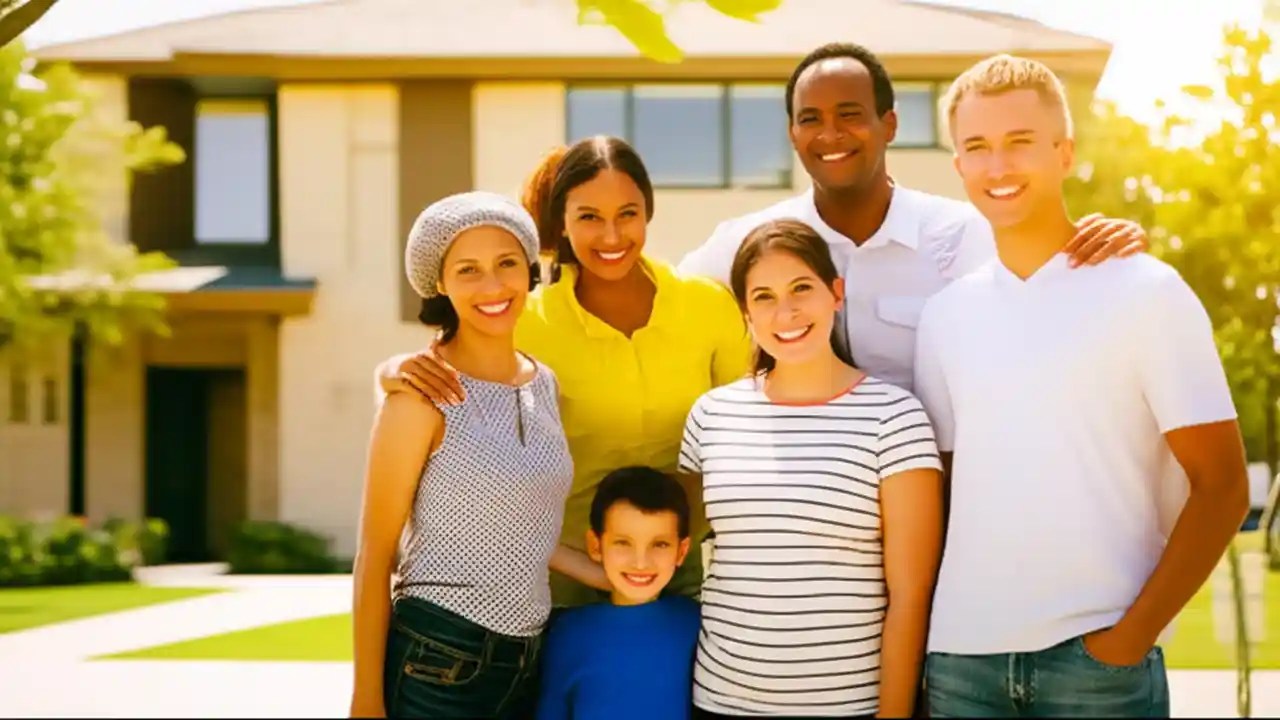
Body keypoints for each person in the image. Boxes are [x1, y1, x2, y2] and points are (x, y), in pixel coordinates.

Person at [912, 54, 1251, 718]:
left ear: (1065, 153)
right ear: (958, 167)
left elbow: (1224, 488)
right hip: (959, 665)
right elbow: (944, 494)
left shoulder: (1147, 292)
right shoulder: (944, 316)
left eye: (1021, 143)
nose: (998, 166)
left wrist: (1129, 641)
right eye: (977, 147)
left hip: (1097, 667)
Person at [375, 136, 753, 607]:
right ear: (563, 224)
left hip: (674, 564)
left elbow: (746, 426)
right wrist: (393, 371)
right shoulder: (528, 319)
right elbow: (447, 369)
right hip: (564, 570)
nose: (611, 236)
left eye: (628, 214)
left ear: (648, 213)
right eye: (589, 217)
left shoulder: (708, 306)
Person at [678, 42, 1149, 392]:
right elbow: (663, 299)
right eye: (811, 119)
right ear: (793, 133)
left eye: (849, 114)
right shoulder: (750, 241)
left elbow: (1054, 288)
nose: (831, 134)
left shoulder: (964, 235)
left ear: (890, 124)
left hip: (941, 501)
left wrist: (1115, 239)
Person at [349, 191, 607, 719]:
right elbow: (375, 557)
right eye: (468, 269)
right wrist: (366, 700)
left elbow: (525, 525)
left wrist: (610, 573)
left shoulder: (545, 383)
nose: (493, 286)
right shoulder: (419, 394)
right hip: (436, 659)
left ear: (529, 270)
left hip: (529, 661)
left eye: (506, 263)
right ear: (439, 283)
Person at [680, 219, 944, 719]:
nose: (786, 311)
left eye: (802, 287)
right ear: (745, 313)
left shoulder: (895, 416)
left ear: (836, 293)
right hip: (721, 701)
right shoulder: (711, 415)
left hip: (850, 706)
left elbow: (911, 595)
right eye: (764, 296)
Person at [535, 466, 702, 720]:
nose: (641, 562)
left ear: (681, 551)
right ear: (595, 545)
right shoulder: (569, 629)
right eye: (623, 543)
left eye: (660, 544)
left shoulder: (696, 622)